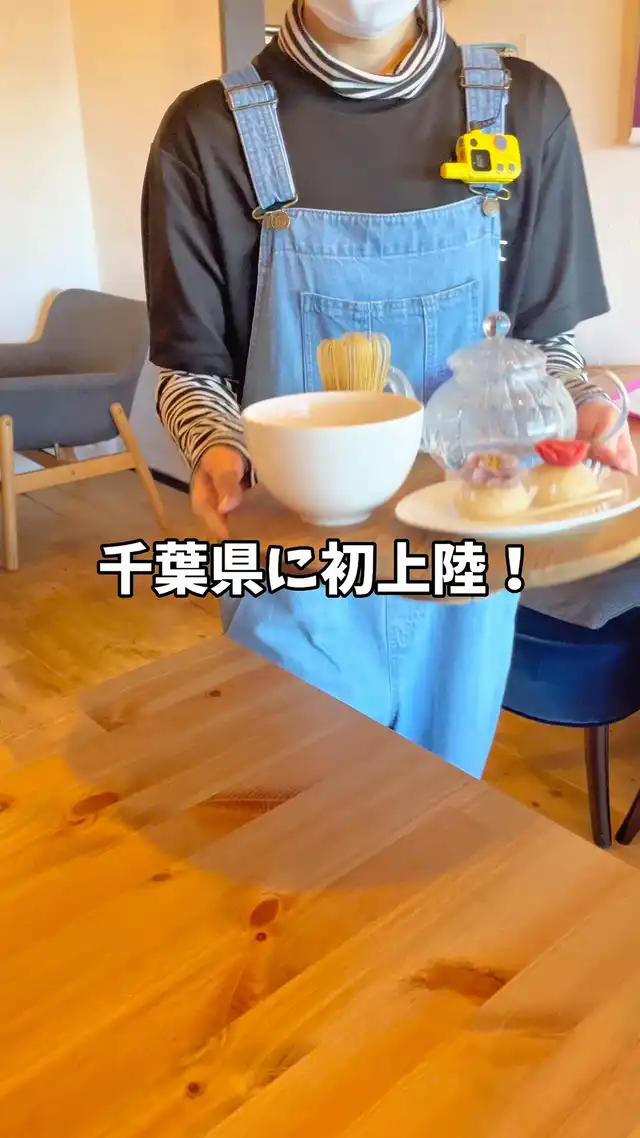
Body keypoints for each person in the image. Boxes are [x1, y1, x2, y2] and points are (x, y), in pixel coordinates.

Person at [141, 0, 636, 779]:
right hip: (298, 568)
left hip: (468, 576)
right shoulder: (208, 132)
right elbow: (193, 371)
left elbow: (545, 344)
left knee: (439, 808)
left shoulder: (524, 108)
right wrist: (214, 445)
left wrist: (584, 406)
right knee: (302, 816)